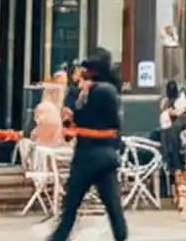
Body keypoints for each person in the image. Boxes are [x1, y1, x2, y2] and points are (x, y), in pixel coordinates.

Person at [48, 49, 129, 241]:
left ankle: (58, 238)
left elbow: (110, 130)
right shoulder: (85, 93)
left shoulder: (103, 92)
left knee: (71, 209)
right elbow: (73, 125)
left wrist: (77, 130)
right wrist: (70, 121)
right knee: (113, 210)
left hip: (90, 158)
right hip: (101, 159)